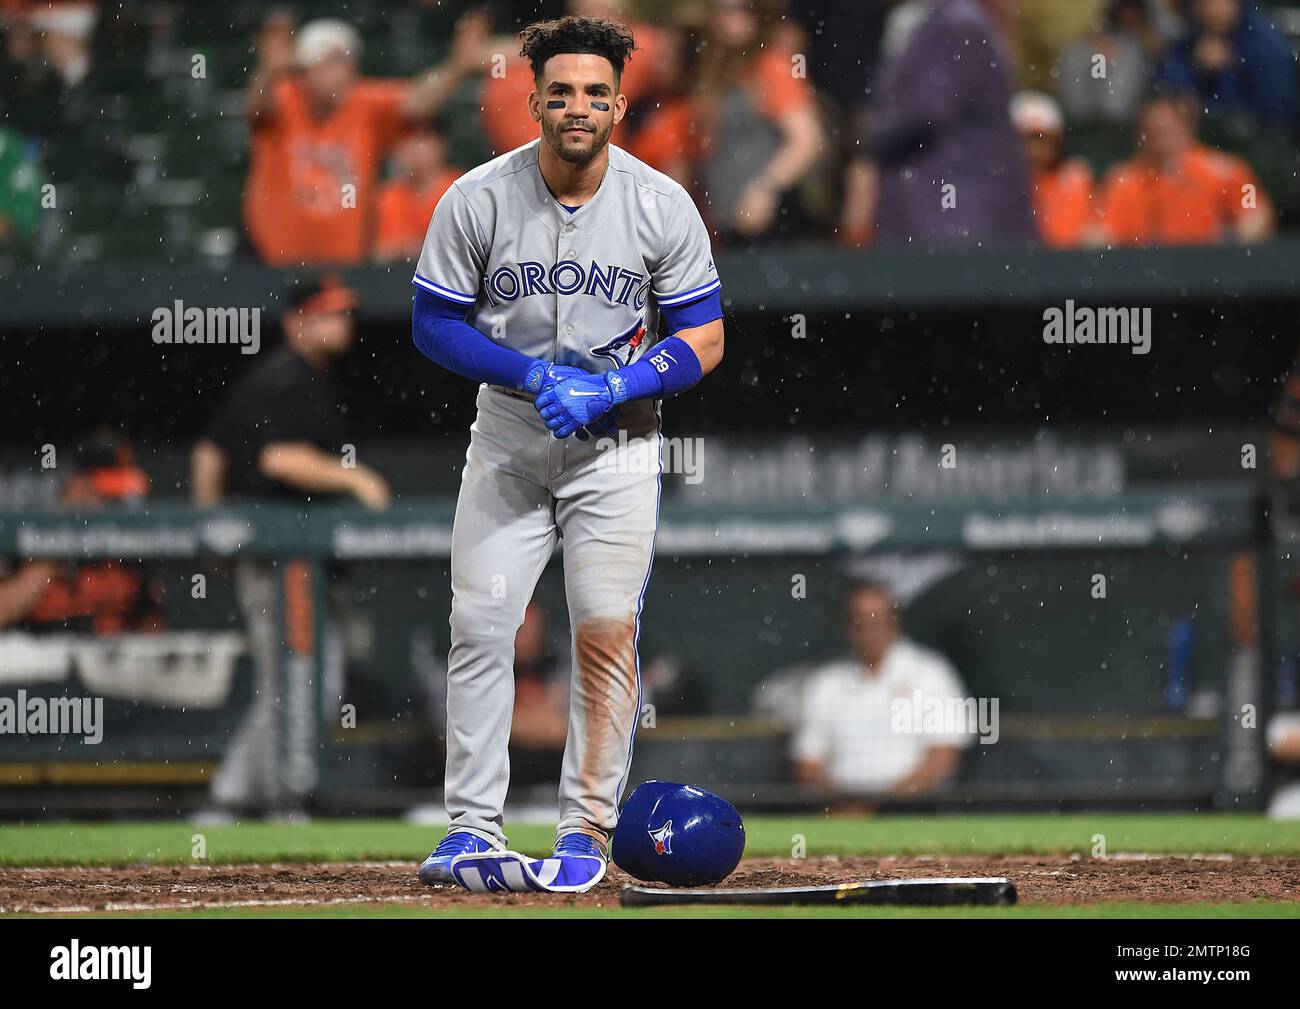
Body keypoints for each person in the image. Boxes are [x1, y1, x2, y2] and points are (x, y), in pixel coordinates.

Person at [410, 15, 724, 891]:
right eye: (559, 92)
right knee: (480, 624)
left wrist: (614, 386)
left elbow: (705, 336)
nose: (576, 106)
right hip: (510, 434)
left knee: (604, 630)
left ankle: (585, 828)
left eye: (594, 92)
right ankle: (472, 827)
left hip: (616, 445)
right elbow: (432, 323)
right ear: (534, 99)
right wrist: (529, 371)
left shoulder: (660, 202)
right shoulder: (476, 196)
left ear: (620, 104)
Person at [191, 275, 389, 813]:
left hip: (278, 557)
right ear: (295, 321)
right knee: (304, 683)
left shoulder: (275, 378)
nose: (340, 323)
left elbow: (211, 451)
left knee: (289, 683)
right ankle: (281, 797)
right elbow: (277, 459)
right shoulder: (291, 378)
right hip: (283, 561)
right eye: (328, 314)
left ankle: (234, 795)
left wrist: (215, 532)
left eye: (344, 314)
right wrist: (355, 479)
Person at [242, 14, 484, 267]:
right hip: (273, 262)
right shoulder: (285, 96)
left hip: (345, 264)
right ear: (305, 71)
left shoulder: (361, 102)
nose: (340, 73)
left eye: (346, 63)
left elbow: (417, 100)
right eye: (329, 63)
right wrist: (270, 69)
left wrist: (459, 67)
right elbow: (257, 105)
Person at [843, 0, 1035, 246]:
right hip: (950, 219)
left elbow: (926, 111)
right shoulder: (951, 21)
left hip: (952, 218)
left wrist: (867, 135)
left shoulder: (957, 24)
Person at [792, 582, 973, 802]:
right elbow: (808, 764)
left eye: (878, 620)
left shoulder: (931, 673)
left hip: (915, 811)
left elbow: (943, 758)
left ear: (894, 621)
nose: (870, 630)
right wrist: (846, 808)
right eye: (860, 621)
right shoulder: (825, 683)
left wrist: (882, 805)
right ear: (845, 626)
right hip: (840, 814)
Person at [0, 431, 161, 634]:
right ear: (77, 485)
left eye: (118, 497)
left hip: (112, 659)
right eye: (106, 494)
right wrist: (55, 546)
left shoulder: (130, 542)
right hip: (38, 659)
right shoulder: (30, 535)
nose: (114, 505)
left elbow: (153, 629)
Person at [1098, 90, 1274, 245]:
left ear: (1186, 126)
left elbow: (1256, 214)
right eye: (1153, 130)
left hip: (1209, 269)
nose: (1161, 135)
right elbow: (1105, 233)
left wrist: (1231, 246)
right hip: (1142, 271)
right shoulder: (1124, 179)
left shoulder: (1224, 171)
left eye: (1167, 127)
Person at [1155, 0, 1297, 137]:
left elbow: (1274, 111)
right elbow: (1168, 85)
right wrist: (1196, 70)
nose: (1210, 9)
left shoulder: (1265, 44)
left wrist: (1228, 72)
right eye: (1202, 2)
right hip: (1201, 140)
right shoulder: (1191, 37)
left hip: (1260, 142)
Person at [1012, 91, 1100, 248]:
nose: (1035, 149)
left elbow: (1088, 234)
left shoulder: (1076, 178)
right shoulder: (1002, 186)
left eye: (1043, 140)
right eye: (1028, 140)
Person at [372, 127, 461, 263]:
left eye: (422, 141)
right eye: (406, 142)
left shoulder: (458, 189)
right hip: (401, 277)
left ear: (439, 145)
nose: (413, 149)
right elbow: (382, 255)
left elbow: (463, 249)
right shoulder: (390, 195)